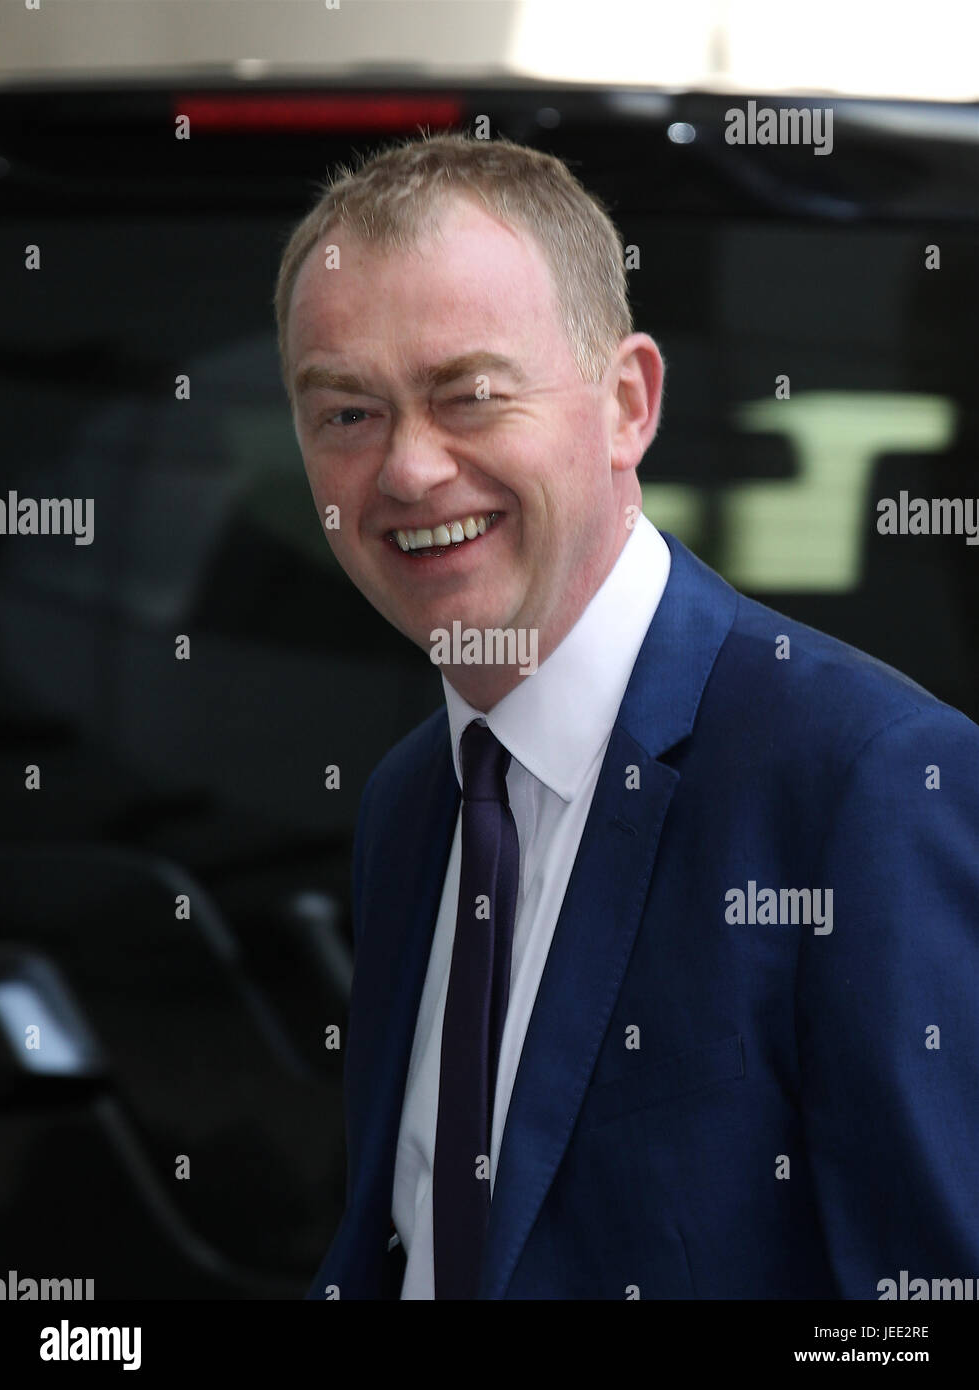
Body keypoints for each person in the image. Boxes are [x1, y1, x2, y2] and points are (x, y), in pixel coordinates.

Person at [274, 131, 979, 1300]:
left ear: (626, 403)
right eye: (347, 412)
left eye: (471, 394)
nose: (405, 470)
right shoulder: (415, 797)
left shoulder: (864, 782)